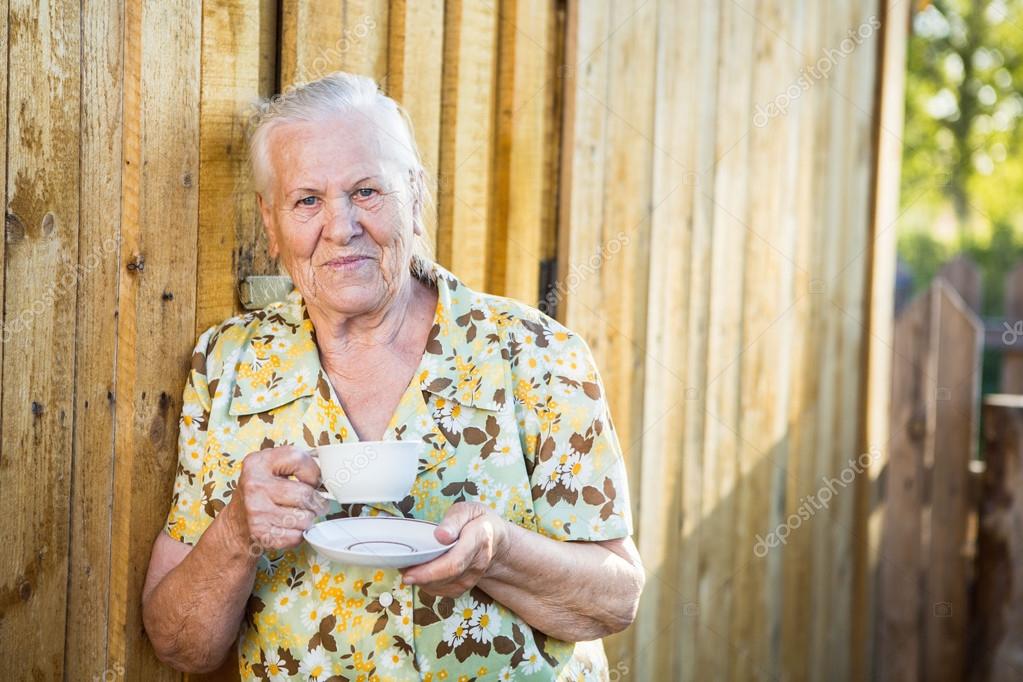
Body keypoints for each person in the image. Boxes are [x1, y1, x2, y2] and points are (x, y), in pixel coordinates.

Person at [141, 71, 645, 681]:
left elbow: (616, 599)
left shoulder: (536, 354)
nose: (342, 226)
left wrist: (498, 552)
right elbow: (179, 646)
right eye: (307, 201)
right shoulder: (227, 366)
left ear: (415, 194)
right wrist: (236, 535)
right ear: (270, 224)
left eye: (367, 191)